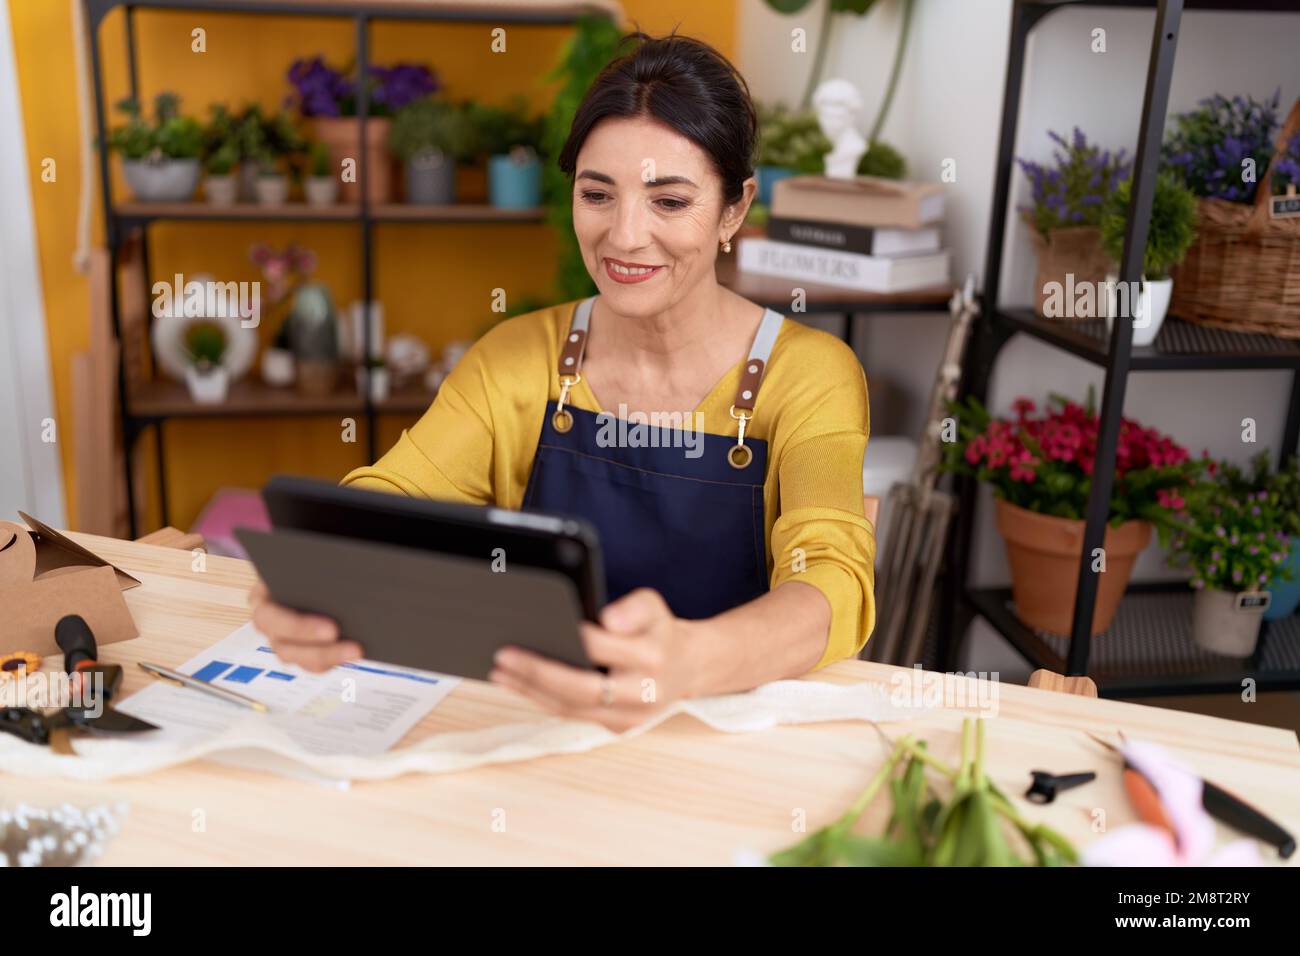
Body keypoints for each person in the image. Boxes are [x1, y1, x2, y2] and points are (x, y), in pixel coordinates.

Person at [250, 31, 876, 731]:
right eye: (597, 193)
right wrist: (319, 578)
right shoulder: (520, 357)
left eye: (669, 201)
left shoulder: (810, 375)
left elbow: (831, 577)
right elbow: (392, 496)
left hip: (721, 731)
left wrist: (691, 662)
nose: (625, 236)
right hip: (539, 724)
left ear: (734, 209)